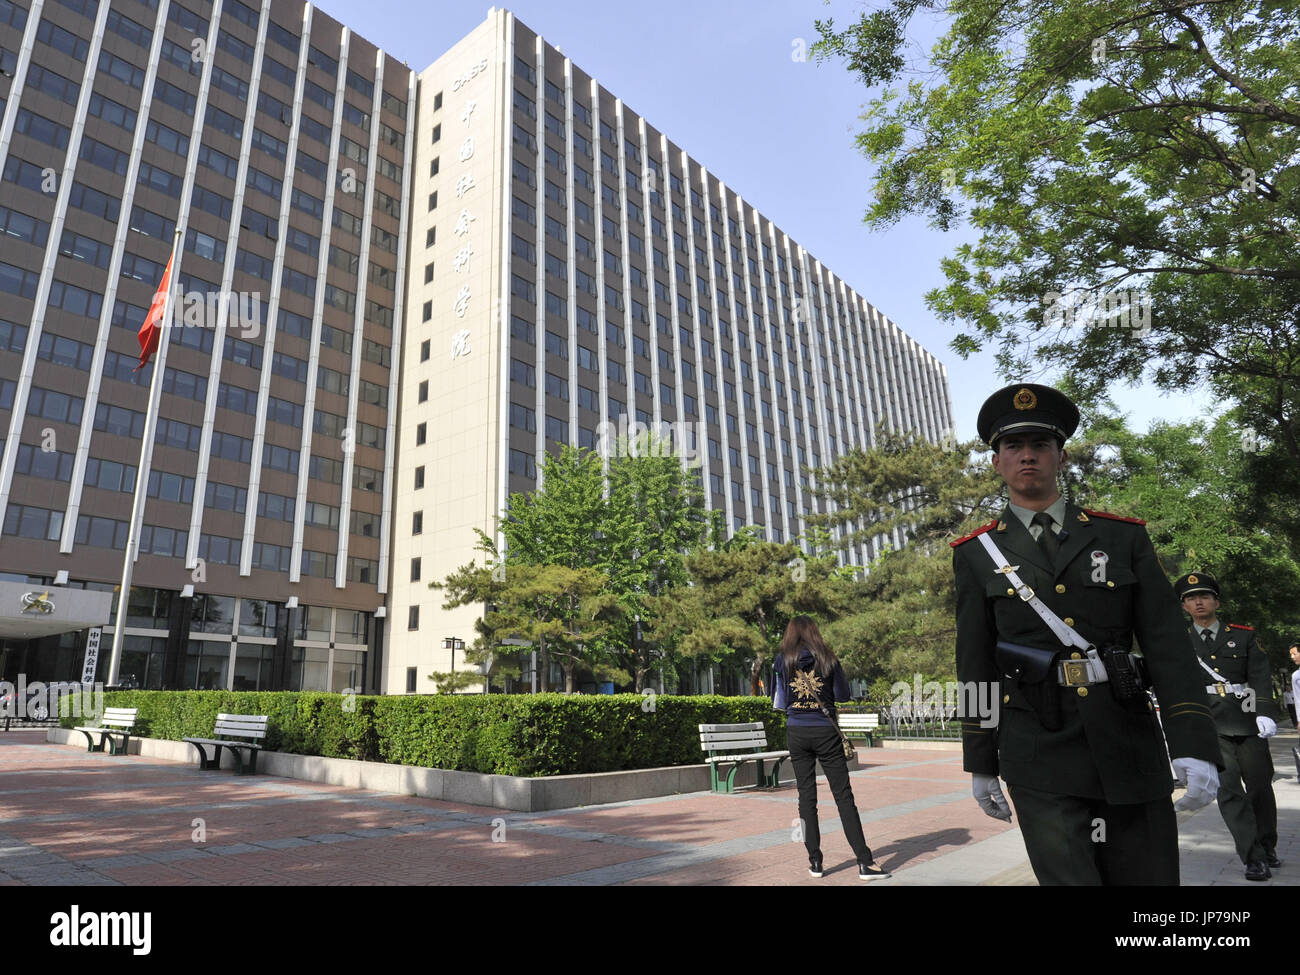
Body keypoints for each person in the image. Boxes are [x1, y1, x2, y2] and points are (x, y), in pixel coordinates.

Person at [952, 383, 1222, 885]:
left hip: (1128, 741)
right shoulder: (975, 553)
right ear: (996, 462)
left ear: (1061, 455)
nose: (1027, 456)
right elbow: (976, 662)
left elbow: (1166, 645)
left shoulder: (1122, 537)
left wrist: (1193, 741)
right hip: (1037, 750)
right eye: (1013, 446)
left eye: (1040, 445)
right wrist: (980, 759)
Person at [1176, 573, 1282, 881]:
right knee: (1229, 791)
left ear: (1216, 602)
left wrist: (1264, 711)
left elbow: (1260, 674)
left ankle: (1267, 844)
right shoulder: (1180, 641)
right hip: (1209, 725)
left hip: (1248, 722)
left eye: (1204, 596)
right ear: (1184, 606)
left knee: (1260, 787)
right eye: (1191, 598)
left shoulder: (1243, 635)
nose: (1198, 602)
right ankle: (1253, 857)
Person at [773, 616, 889, 880]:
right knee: (843, 796)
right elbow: (843, 695)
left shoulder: (782, 659)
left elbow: (778, 701)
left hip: (797, 731)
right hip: (825, 731)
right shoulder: (828, 657)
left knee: (806, 798)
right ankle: (864, 861)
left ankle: (815, 862)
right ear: (815, 631)